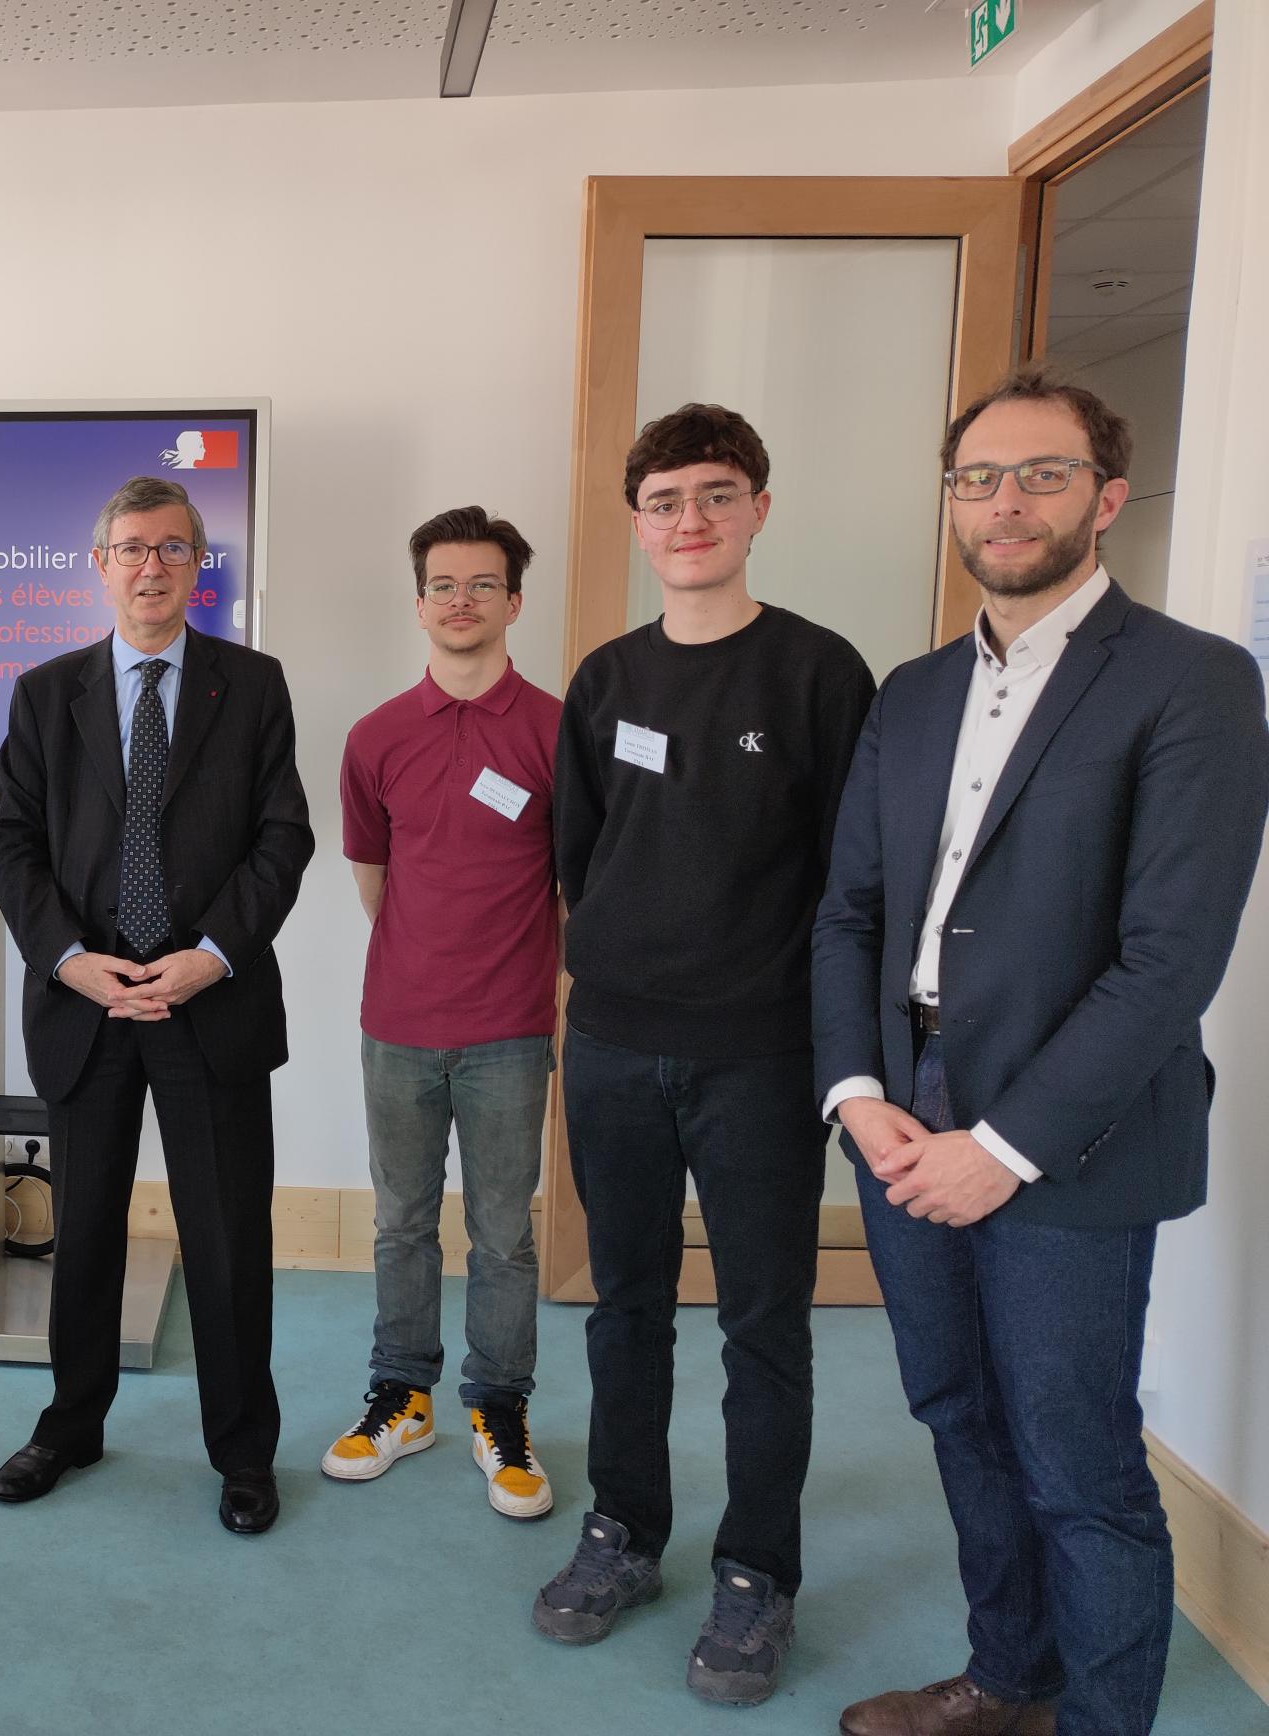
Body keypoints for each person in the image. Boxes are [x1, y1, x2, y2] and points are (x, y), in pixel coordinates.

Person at [814, 365, 1269, 1736]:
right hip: (905, 1107)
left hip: (1068, 1131)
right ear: (951, 502)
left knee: (1076, 1462)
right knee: (959, 1415)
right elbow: (849, 913)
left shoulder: (1192, 682)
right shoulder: (912, 691)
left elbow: (1168, 962)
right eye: (978, 477)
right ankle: (1010, 1678)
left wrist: (1002, 1149)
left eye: (1042, 473)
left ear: (1107, 496)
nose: (1006, 501)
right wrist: (857, 1095)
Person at [539, 403, 874, 1707]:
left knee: (761, 1327)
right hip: (616, 1047)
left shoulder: (817, 673)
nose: (691, 520)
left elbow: (856, 877)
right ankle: (625, 1531)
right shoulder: (607, 679)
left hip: (759, 1059)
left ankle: (757, 1574)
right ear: (640, 525)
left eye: (717, 495)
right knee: (625, 1312)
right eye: (668, 499)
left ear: (759, 513)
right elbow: (580, 857)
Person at [0, 474, 313, 1534]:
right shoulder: (46, 692)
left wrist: (211, 954)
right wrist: (68, 958)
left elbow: (281, 838)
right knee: (81, 1233)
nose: (151, 566)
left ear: (195, 565)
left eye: (172, 548)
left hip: (205, 1002)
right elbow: (14, 844)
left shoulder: (251, 686)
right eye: (131, 548)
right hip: (88, 1003)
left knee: (226, 1240)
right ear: (101, 563)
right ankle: (71, 1424)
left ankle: (241, 1452)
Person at [321, 507, 562, 1523]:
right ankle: (402, 1393)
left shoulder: (558, 730)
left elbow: (571, 885)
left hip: (511, 1028)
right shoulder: (375, 737)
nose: (461, 601)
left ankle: (498, 1409)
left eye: (482, 583)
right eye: (443, 584)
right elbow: (375, 880)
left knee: (504, 1236)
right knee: (400, 1223)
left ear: (514, 599)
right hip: (399, 1024)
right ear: (419, 602)